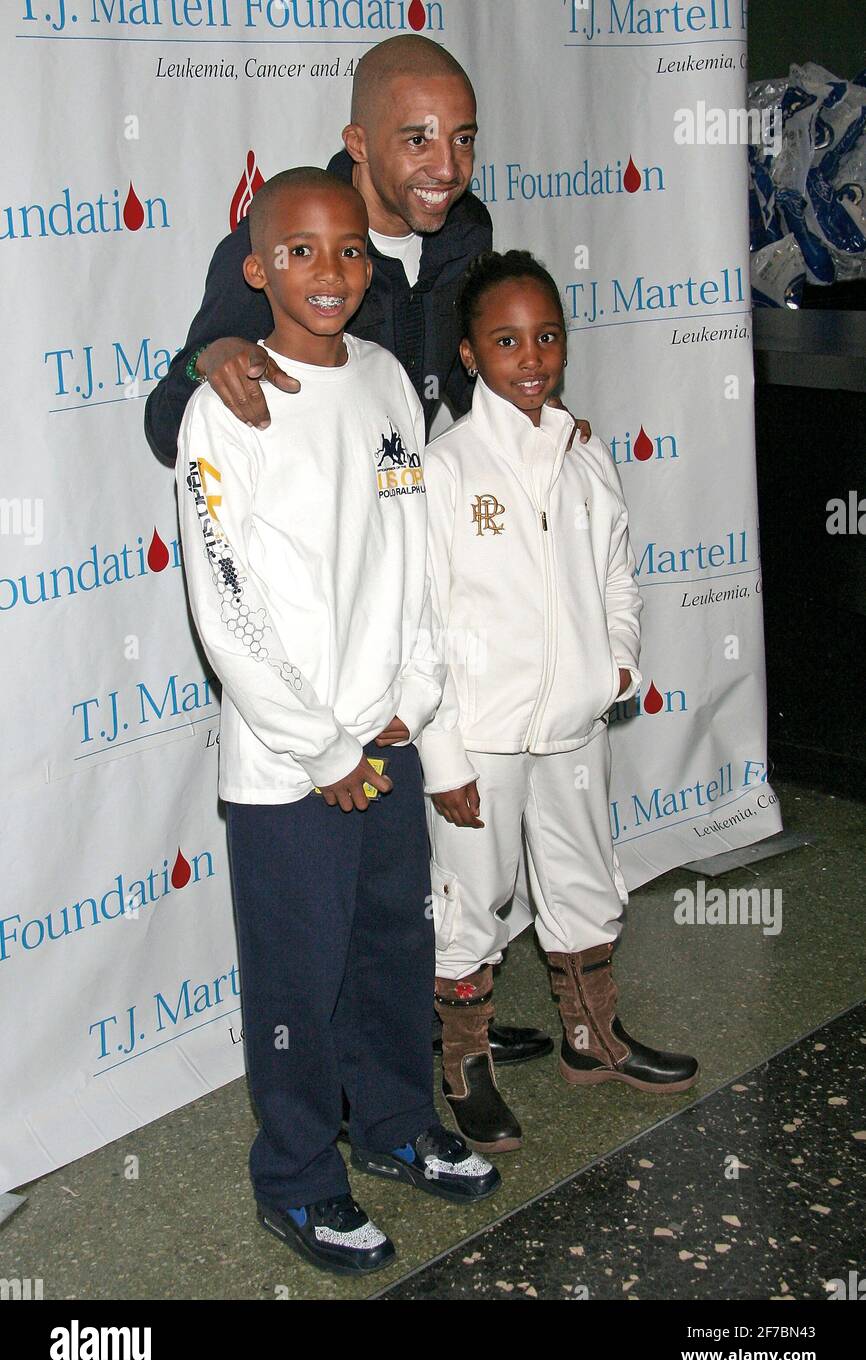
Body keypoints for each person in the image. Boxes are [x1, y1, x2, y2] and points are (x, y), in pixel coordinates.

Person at [149, 33, 570, 1066]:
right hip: (326, 624)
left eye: (462, 139)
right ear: (357, 142)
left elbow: (477, 375)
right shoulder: (300, 233)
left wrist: (546, 429)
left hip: (433, 588)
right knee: (333, 879)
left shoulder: (468, 227)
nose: (444, 165)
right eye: (416, 139)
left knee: (448, 829)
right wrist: (213, 353)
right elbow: (177, 417)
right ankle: (339, 1077)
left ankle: (444, 1013)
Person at [174, 168, 500, 1277]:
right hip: (289, 770)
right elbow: (225, 607)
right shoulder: (225, 410)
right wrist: (318, 748)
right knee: (297, 986)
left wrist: (406, 705)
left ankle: (397, 1125)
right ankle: (301, 1180)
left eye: (350, 251)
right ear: (256, 269)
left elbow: (411, 559)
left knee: (391, 951)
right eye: (301, 252)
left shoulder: (385, 387)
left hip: (387, 741)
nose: (331, 273)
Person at [418, 250, 700, 1153]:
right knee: (475, 899)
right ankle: (466, 1066)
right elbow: (420, 623)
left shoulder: (587, 454)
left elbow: (617, 569)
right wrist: (444, 753)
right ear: (470, 355)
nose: (531, 357)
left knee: (583, 879)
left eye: (547, 337)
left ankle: (594, 1038)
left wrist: (615, 663)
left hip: (573, 724)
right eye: (507, 340)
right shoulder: (446, 469)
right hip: (482, 740)